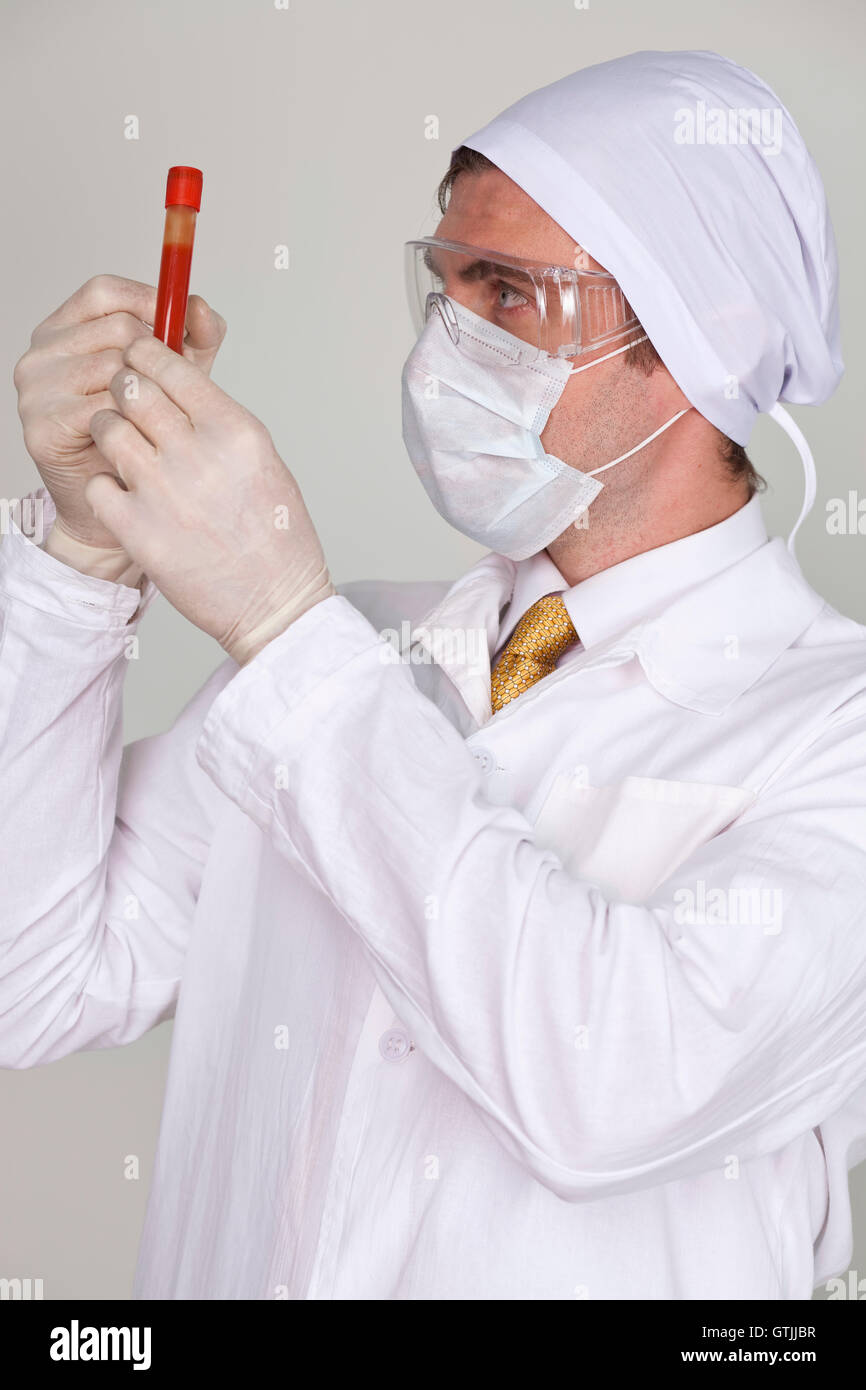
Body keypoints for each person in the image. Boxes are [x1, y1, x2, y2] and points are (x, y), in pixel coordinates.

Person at [2, 49, 865, 1301]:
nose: (445, 345)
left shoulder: (831, 726)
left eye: (511, 295)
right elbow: (33, 979)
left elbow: (605, 1096)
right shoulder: (361, 651)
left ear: (701, 336)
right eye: (444, 287)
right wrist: (82, 559)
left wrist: (287, 636)